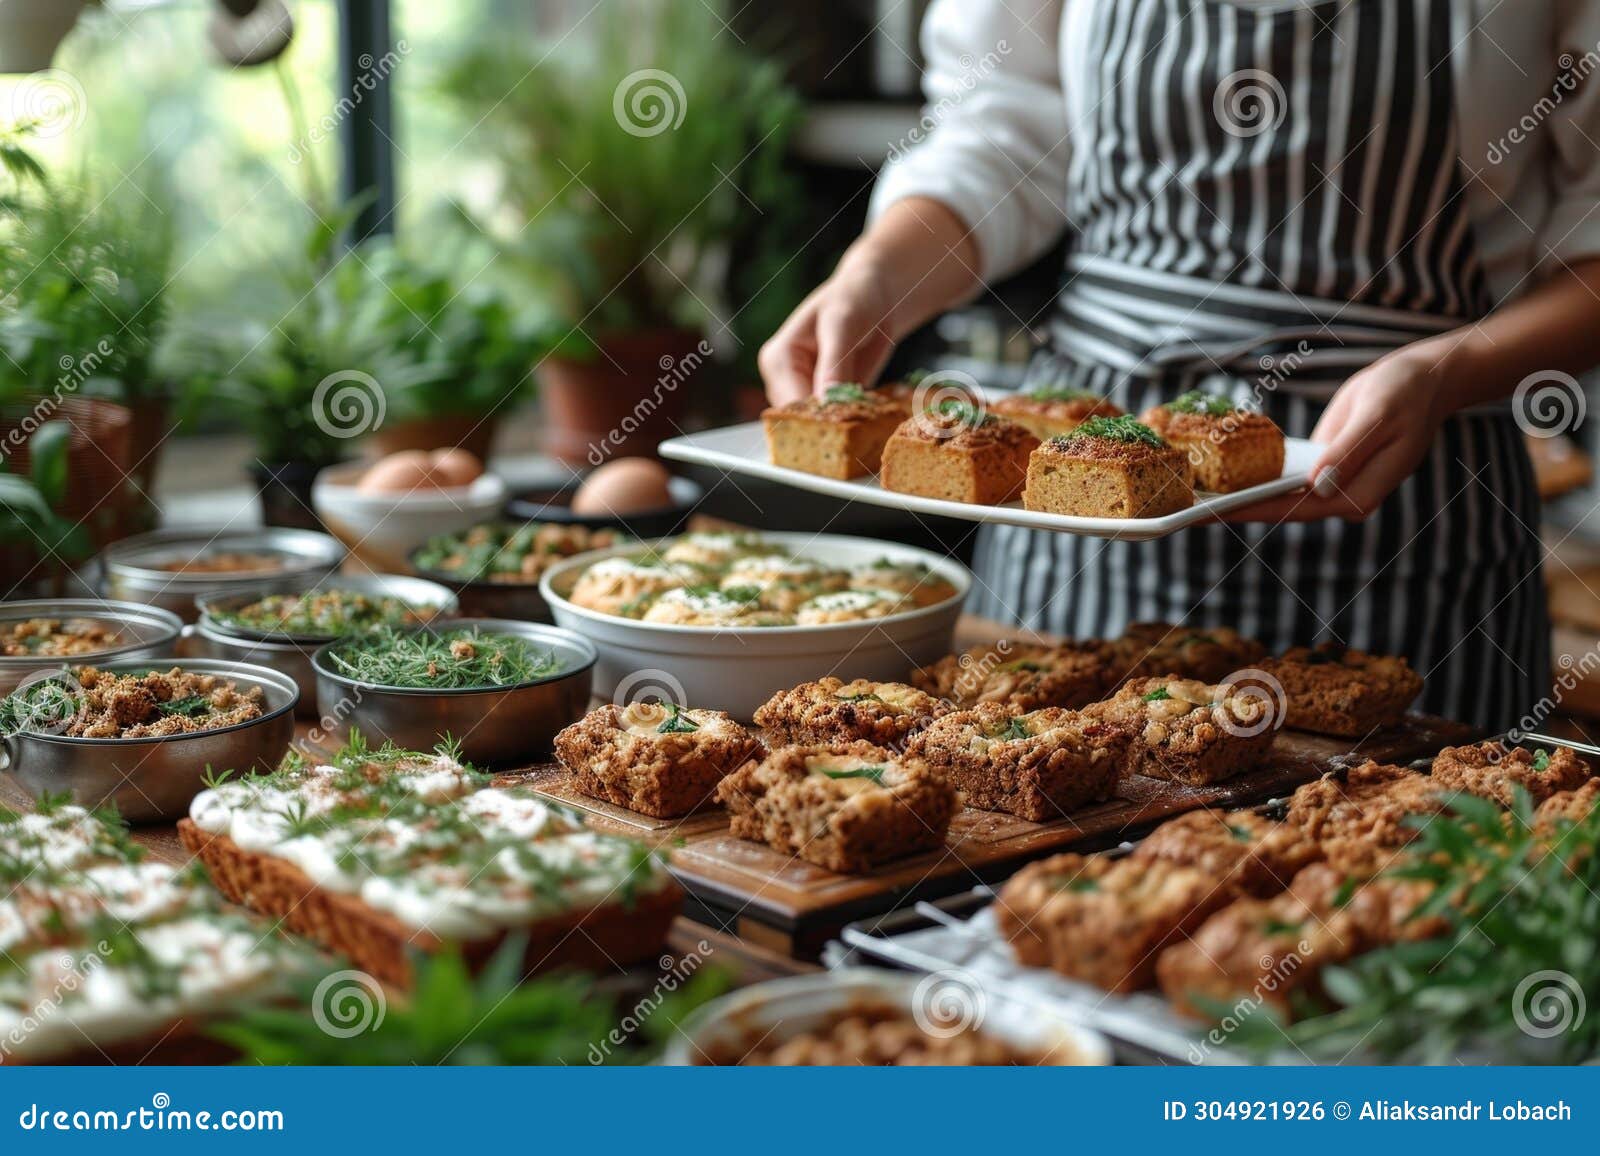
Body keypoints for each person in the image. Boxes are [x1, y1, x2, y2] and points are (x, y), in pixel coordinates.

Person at [760, 0, 1600, 730]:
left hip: (1416, 511)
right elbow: (998, 133)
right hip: (1084, 499)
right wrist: (875, 277)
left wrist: (1445, 371)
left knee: (1403, 868)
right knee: (1043, 818)